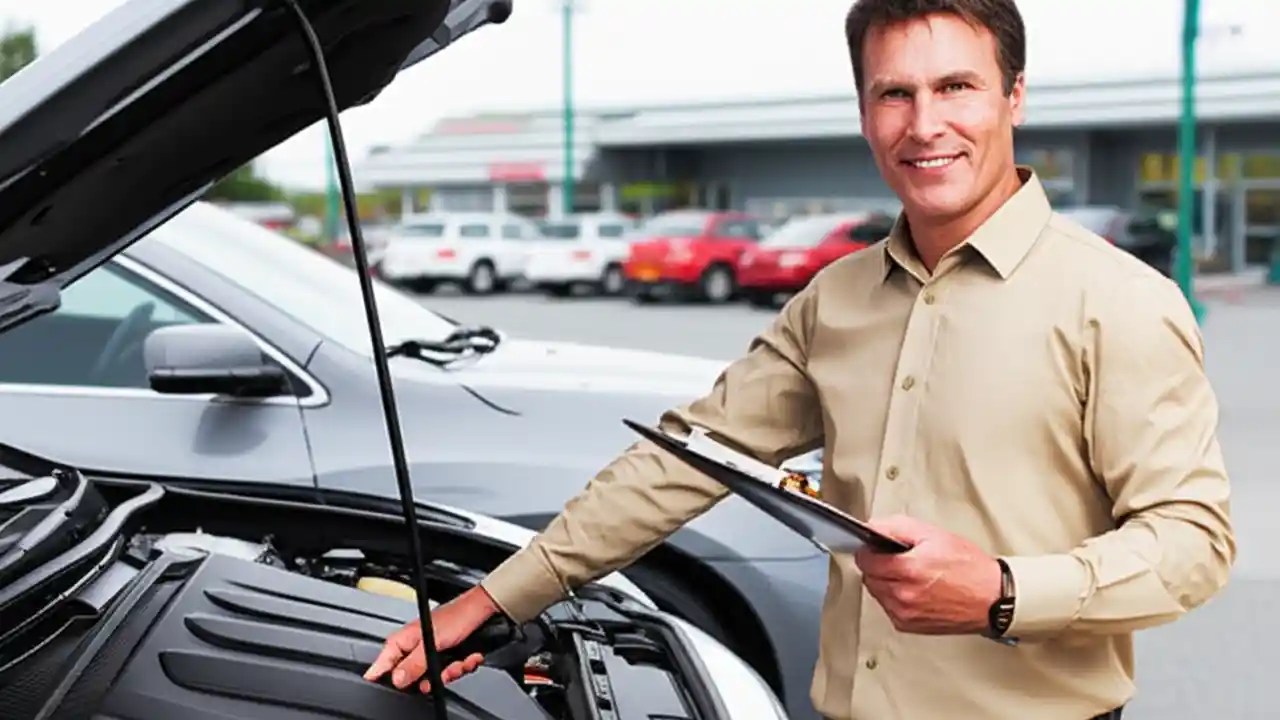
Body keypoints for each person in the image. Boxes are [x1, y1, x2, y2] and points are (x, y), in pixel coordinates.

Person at [365, 0, 1237, 717]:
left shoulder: (1119, 302)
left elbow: (1191, 542)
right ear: (863, 112)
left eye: (956, 87)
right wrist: (493, 598)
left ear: (1014, 96)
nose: (924, 124)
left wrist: (1003, 593)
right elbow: (684, 459)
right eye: (894, 93)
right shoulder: (836, 300)